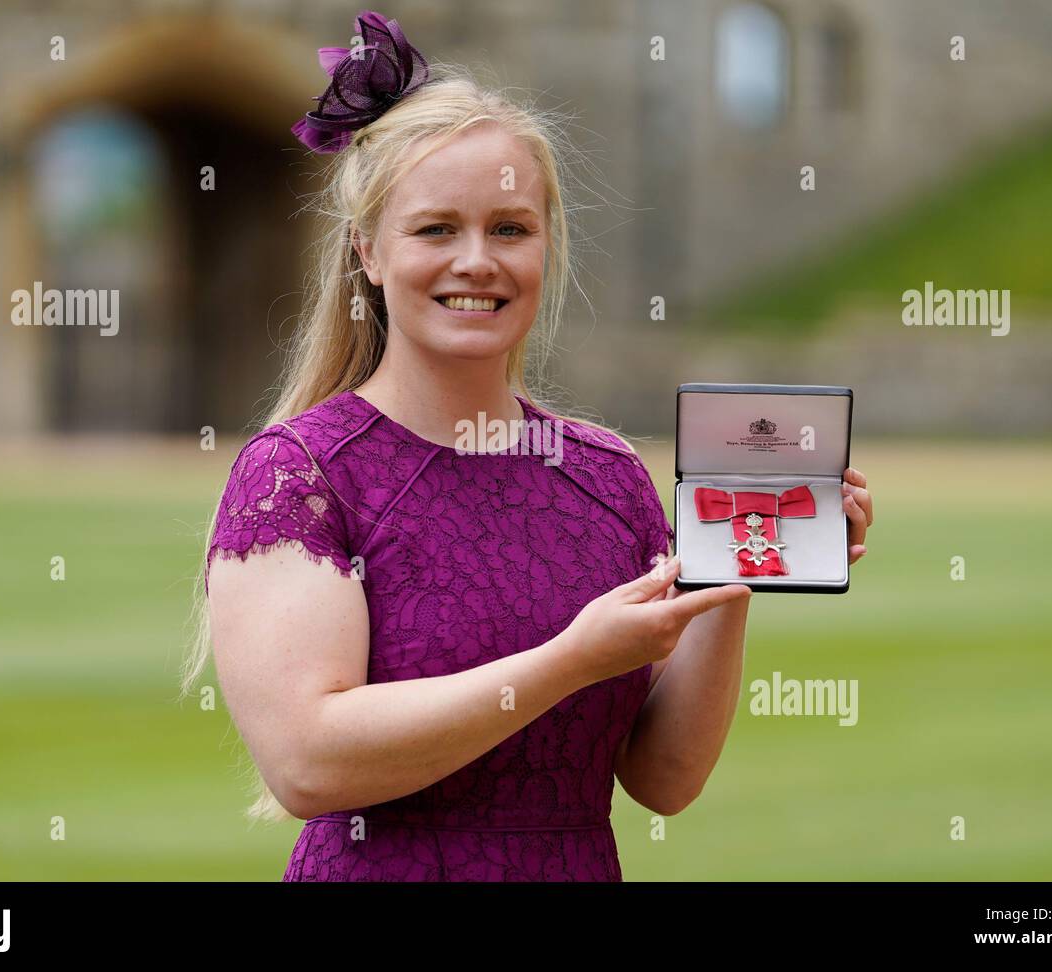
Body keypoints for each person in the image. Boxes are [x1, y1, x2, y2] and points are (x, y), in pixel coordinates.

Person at [183, 11, 874, 881]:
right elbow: (309, 765)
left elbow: (662, 779)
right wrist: (567, 662)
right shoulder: (300, 474)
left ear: (546, 246)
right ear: (367, 250)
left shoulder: (607, 477)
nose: (477, 261)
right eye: (437, 229)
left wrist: (735, 563)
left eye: (509, 229)